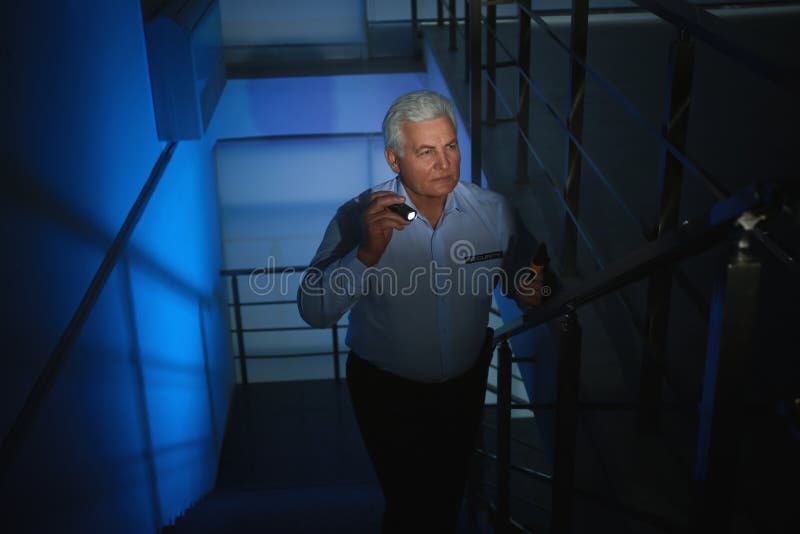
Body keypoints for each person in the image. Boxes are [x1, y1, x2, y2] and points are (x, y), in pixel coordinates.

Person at [298, 90, 543, 532]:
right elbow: (314, 310)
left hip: (465, 387)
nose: (444, 163)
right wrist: (365, 255)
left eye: (450, 146)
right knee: (410, 505)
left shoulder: (493, 211)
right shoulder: (356, 216)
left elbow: (528, 276)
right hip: (385, 392)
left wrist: (534, 287)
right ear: (394, 160)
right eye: (426, 151)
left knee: (446, 497)